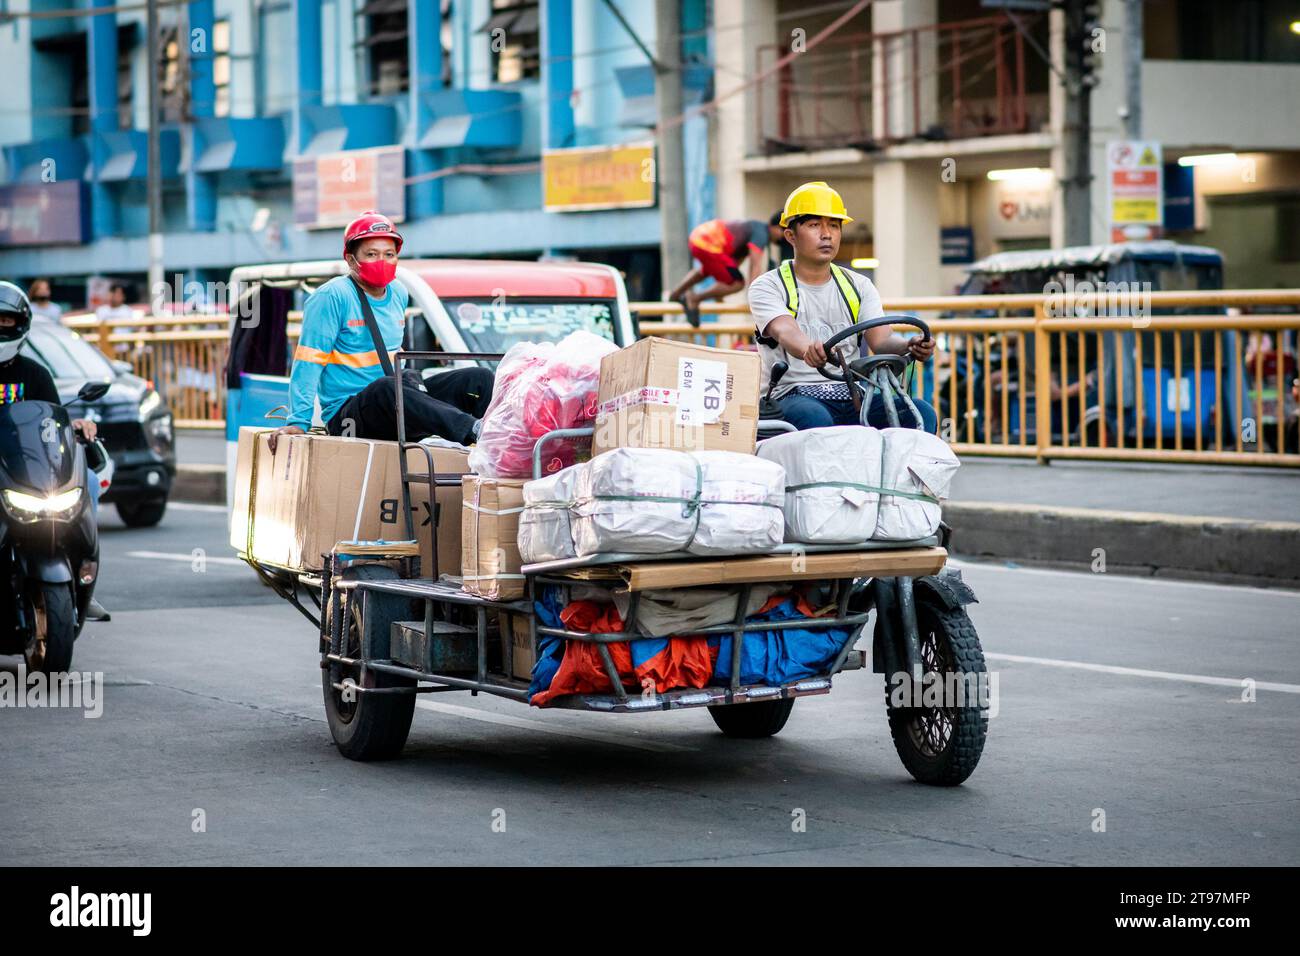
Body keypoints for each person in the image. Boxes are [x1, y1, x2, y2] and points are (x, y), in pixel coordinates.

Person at [268, 211, 493, 452]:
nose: (382, 261)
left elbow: (396, 353)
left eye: (389, 255)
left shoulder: (398, 292)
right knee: (387, 387)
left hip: (396, 400)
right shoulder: (332, 296)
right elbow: (308, 362)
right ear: (351, 259)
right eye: (371, 255)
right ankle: (475, 430)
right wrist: (298, 421)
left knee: (478, 378)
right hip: (349, 417)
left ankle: (498, 442)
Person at [747, 181, 938, 433]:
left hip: (852, 395)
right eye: (815, 225)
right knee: (817, 419)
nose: (826, 234)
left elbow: (881, 342)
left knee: (921, 413)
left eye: (834, 226)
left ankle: (895, 475)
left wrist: (909, 346)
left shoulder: (859, 285)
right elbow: (785, 330)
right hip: (790, 395)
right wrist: (808, 348)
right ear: (790, 235)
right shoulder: (768, 286)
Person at [0, 282, 100, 509]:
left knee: (90, 482)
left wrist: (74, 426)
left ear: (21, 324)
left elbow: (53, 418)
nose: (0, 326)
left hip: (28, 466)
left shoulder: (36, 374)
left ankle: (82, 546)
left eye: (5, 320)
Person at [668, 216, 786, 327]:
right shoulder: (761, 234)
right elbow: (755, 266)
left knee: (708, 270)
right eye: (782, 231)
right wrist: (754, 299)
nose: (782, 236)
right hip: (709, 243)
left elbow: (729, 269)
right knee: (738, 283)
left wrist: (719, 294)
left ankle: (676, 293)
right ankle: (694, 299)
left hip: (698, 238)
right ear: (773, 226)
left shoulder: (752, 229)